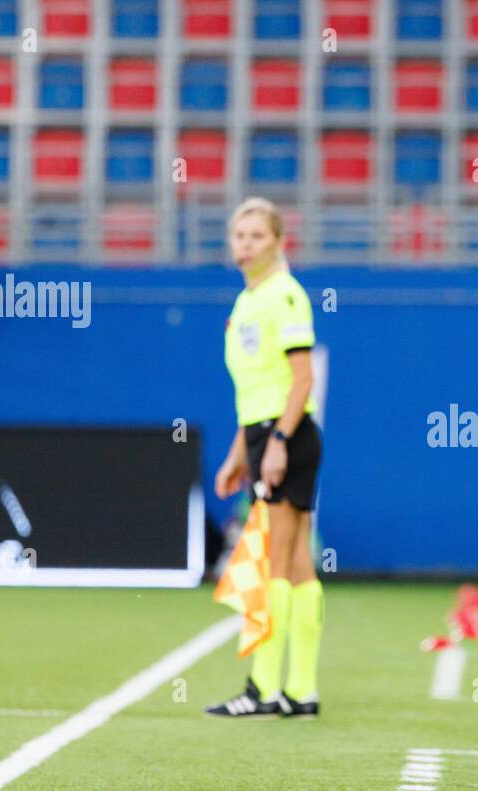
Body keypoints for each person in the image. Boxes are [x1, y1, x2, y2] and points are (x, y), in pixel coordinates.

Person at [204, 197, 325, 720]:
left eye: (256, 235)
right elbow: (255, 389)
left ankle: (264, 687)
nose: (246, 244)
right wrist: (240, 453)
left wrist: (276, 443)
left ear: (278, 241)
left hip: (286, 434)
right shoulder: (248, 302)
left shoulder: (285, 296)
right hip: (264, 435)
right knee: (296, 564)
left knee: (273, 560)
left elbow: (302, 379)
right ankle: (300, 690)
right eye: (239, 235)